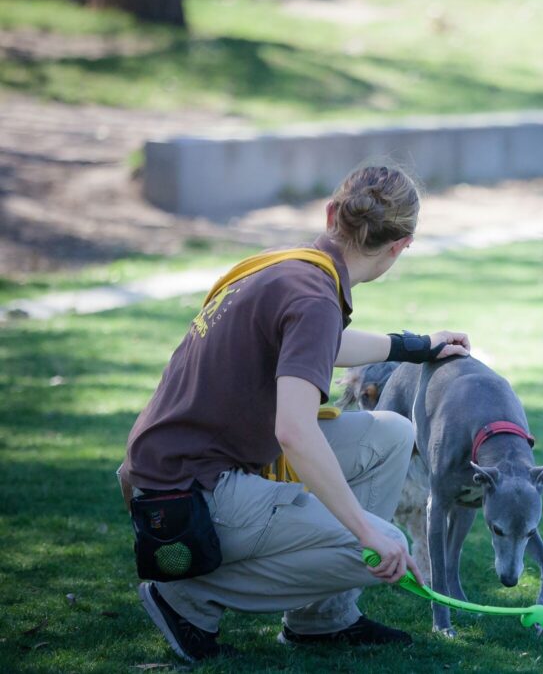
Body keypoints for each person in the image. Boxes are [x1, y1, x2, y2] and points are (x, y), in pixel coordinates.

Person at [119, 165, 470, 662]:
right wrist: (366, 531)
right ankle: (187, 598)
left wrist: (417, 345)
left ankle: (322, 620)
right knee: (380, 547)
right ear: (401, 246)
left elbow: (319, 344)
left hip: (170, 471)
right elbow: (294, 432)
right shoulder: (313, 296)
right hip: (189, 497)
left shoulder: (286, 267)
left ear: (331, 213)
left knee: (391, 433)